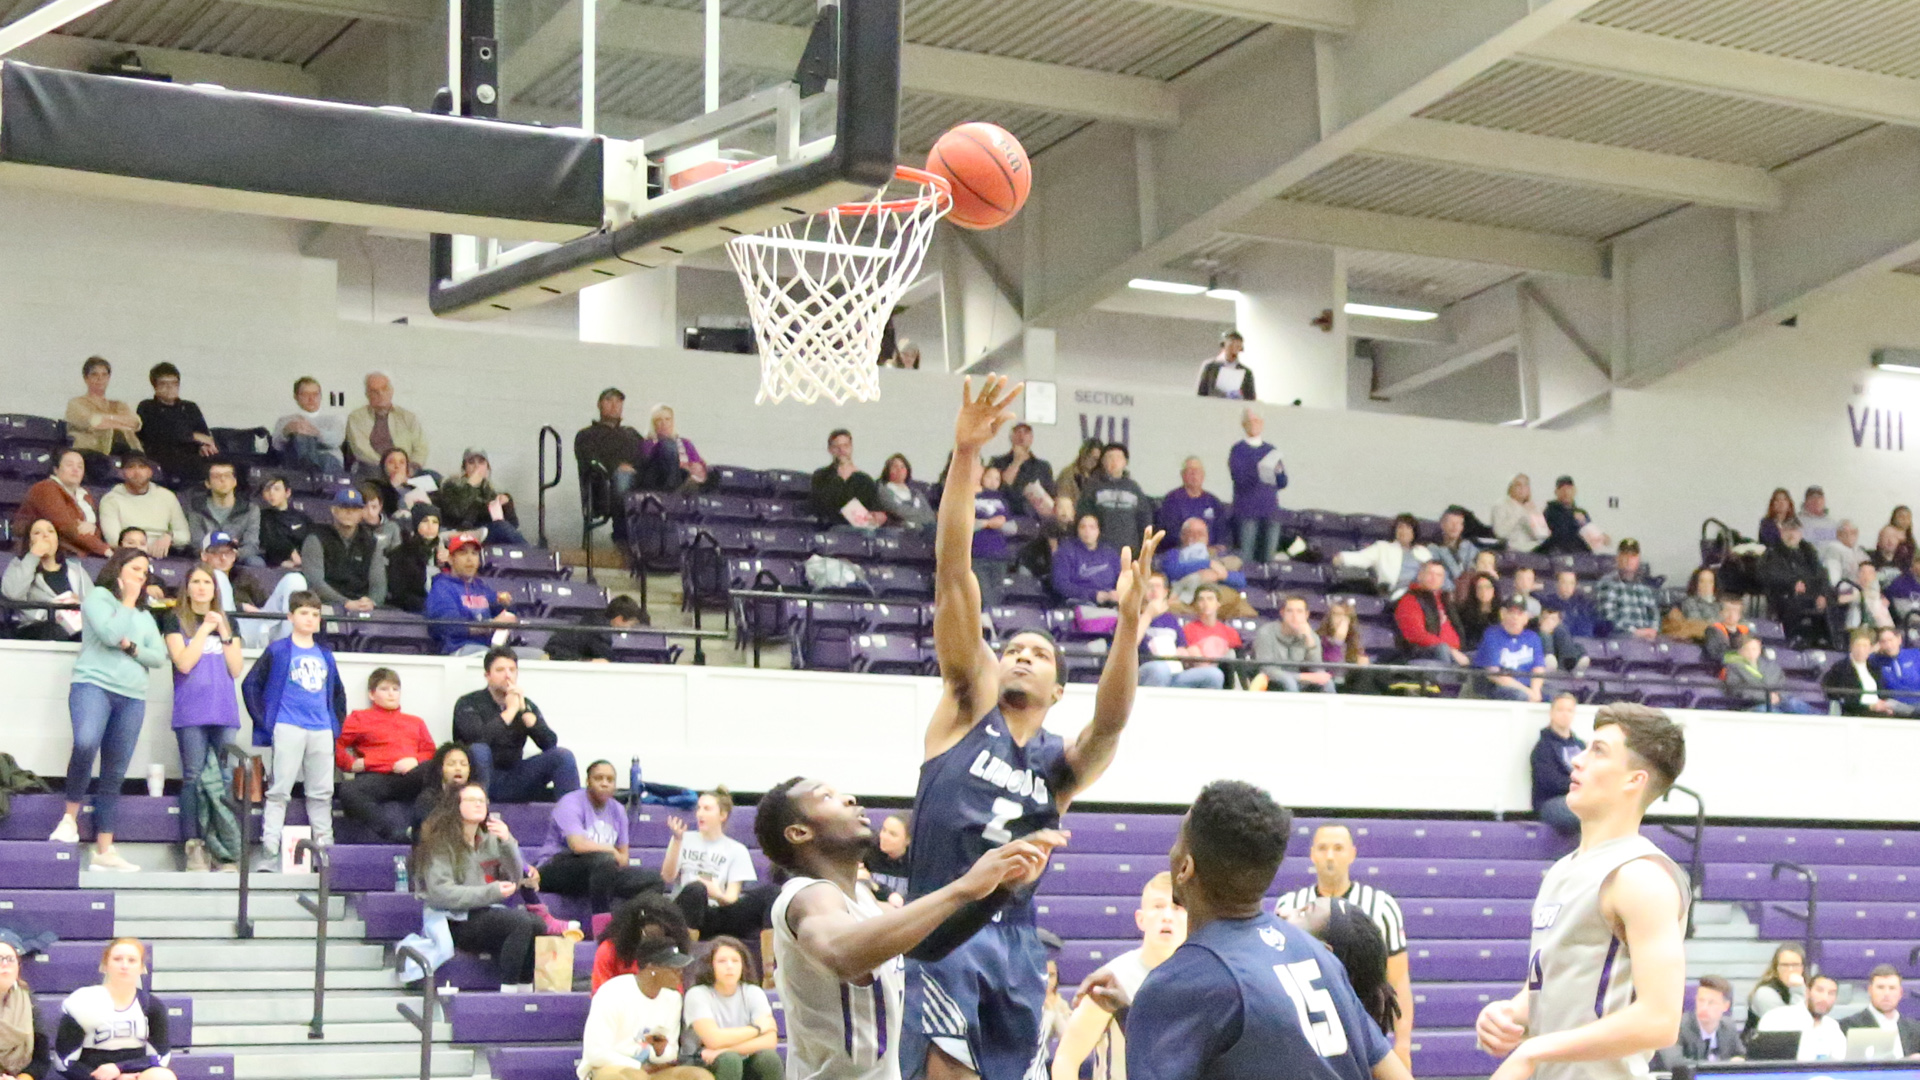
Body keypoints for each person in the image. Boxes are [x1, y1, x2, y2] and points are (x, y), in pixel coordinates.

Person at [906, 375, 1159, 1080]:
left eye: (1039, 653)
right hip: (940, 925)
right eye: (1012, 646)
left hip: (1017, 942)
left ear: (1056, 690)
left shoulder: (1058, 764)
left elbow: (1111, 723)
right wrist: (965, 455)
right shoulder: (966, 708)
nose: (1020, 653)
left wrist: (1128, 627)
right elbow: (953, 573)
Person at [1102, 780, 1405, 1080]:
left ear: (1185, 868)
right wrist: (1137, 1013)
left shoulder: (1181, 983)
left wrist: (1152, 1012)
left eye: (1177, 842)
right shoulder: (1319, 957)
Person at [753, 775, 1050, 1080]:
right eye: (826, 797)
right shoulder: (807, 895)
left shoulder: (864, 901)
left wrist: (1002, 888)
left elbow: (928, 944)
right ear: (799, 832)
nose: (849, 798)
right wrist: (963, 888)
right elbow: (841, 953)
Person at [1475, 704, 1688, 1080]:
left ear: (1634, 780)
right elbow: (1555, 983)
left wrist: (1534, 1050)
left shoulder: (1640, 875)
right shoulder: (1562, 869)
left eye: (1599, 751)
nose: (1578, 760)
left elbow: (1660, 1020)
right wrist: (1510, 1014)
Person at [48, 549, 166, 872]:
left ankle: (104, 849)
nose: (141, 576)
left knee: (114, 770)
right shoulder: (98, 597)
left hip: (133, 696)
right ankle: (69, 820)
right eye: (135, 569)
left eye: (145, 572)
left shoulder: (144, 615)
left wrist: (131, 646)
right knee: (86, 743)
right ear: (119, 568)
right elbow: (111, 634)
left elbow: (158, 657)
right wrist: (127, 602)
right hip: (93, 686)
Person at [1274, 823, 1414, 1065]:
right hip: (1305, 1033)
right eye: (1323, 848)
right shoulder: (1288, 905)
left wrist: (1402, 1045)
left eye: (1338, 848)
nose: (1330, 856)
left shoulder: (1382, 906)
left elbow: (1398, 979)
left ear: (1352, 853)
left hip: (1363, 1033)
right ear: (1312, 854)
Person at [241, 590, 345, 872]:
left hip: (321, 729)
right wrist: (266, 722)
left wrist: (334, 726)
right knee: (279, 791)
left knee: (322, 793)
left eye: (315, 614)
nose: (310, 619)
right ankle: (270, 851)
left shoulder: (325, 654)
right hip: (288, 726)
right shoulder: (277, 650)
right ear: (290, 616)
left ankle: (325, 852)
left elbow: (337, 694)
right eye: (304, 613)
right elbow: (251, 685)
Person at [1049, 873, 1186, 1080]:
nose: (1167, 916)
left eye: (1177, 907)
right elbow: (1066, 1058)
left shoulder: (1202, 976)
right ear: (1140, 919)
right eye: (1158, 906)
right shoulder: (1114, 978)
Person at [414, 784, 547, 991]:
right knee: (520, 922)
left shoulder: (489, 838)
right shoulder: (440, 844)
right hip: (452, 919)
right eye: (472, 800)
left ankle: (524, 990)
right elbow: (440, 893)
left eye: (482, 800)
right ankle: (508, 993)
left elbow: (515, 878)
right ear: (455, 805)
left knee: (537, 925)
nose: (479, 804)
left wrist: (508, 842)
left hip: (483, 913)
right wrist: (491, 892)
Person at [161, 567, 243, 872]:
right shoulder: (174, 619)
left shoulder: (228, 621)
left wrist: (223, 631)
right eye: (195, 581)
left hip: (224, 711)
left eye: (207, 582)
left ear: (215, 588)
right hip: (192, 711)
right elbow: (183, 663)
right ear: (187, 587)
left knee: (224, 778)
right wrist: (204, 630)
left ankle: (225, 851)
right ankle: (194, 846)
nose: (201, 587)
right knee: (193, 779)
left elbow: (236, 669)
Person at [452, 648, 580, 801]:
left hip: (515, 777)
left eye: (512, 670)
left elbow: (549, 743)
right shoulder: (469, 702)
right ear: (487, 675)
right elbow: (476, 738)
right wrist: (510, 711)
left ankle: (572, 812)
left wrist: (527, 716)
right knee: (479, 750)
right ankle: (480, 808)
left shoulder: (525, 704)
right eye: (500, 670)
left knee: (563, 756)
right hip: (479, 779)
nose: (507, 675)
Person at [540, 761, 664, 917]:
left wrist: (613, 856)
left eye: (610, 780)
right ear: (588, 781)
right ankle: (601, 923)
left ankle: (629, 923)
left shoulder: (618, 810)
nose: (605, 784)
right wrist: (611, 849)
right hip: (557, 868)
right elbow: (577, 845)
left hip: (599, 874)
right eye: (599, 778)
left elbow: (623, 859)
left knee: (654, 880)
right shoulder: (570, 803)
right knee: (604, 860)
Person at [334, 668, 438, 844]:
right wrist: (350, 764)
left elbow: (431, 752)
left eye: (395, 689)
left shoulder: (415, 722)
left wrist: (415, 761)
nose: (391, 694)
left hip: (410, 776)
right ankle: (393, 833)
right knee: (349, 790)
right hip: (377, 777)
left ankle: (423, 832)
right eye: (384, 689)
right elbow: (337, 744)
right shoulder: (360, 718)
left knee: (435, 772)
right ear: (372, 694)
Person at [51, 940, 172, 1080]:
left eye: (132, 960)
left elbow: (161, 1057)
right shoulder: (82, 1002)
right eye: (117, 959)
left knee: (162, 1076)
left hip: (134, 1075)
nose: (124, 966)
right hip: (94, 1076)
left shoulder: (152, 1005)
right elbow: (63, 1063)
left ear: (142, 968)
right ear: (104, 966)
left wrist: (121, 1069)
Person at [661, 790, 766, 940]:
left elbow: (731, 898)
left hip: (713, 910)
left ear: (722, 815)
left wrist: (716, 894)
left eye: (707, 809)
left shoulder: (737, 850)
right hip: (683, 910)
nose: (700, 814)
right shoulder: (682, 839)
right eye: (699, 808)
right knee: (697, 889)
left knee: (768, 894)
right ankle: (688, 949)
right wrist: (677, 840)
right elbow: (667, 877)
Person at [678, 937, 779, 1080]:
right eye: (722, 961)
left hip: (738, 1057)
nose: (730, 966)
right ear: (710, 965)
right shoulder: (697, 994)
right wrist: (756, 1029)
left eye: (735, 961)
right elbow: (713, 1040)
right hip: (701, 1060)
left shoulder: (753, 992)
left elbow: (769, 1041)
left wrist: (728, 1049)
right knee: (730, 1060)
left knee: (768, 1059)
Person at [425, 535, 527, 656]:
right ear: (451, 559)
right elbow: (449, 626)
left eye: (474, 553)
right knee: (488, 657)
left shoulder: (480, 587)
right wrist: (491, 624)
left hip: (490, 650)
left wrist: (507, 606)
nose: (470, 559)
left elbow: (504, 612)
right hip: (458, 650)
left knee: (538, 656)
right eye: (463, 553)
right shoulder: (442, 587)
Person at [4, 519, 90, 642]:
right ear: (29, 542)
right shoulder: (20, 565)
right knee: (53, 630)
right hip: (36, 629)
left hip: (75, 628)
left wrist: (80, 603)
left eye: (50, 531)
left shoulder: (76, 570)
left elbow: (94, 604)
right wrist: (33, 556)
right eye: (37, 533)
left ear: (57, 540)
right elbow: (13, 593)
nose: (45, 535)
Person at [299, 488, 385, 612]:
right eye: (344, 507)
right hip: (325, 604)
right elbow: (315, 582)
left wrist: (372, 602)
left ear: (361, 513)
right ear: (334, 510)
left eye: (355, 509)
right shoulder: (316, 538)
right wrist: (346, 603)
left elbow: (378, 584)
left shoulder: (371, 542)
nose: (349, 512)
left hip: (361, 605)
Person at [14, 450, 110, 558]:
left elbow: (97, 531)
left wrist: (92, 528)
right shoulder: (45, 488)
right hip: (51, 556)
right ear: (56, 469)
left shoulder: (85, 495)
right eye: (69, 465)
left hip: (83, 554)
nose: (75, 470)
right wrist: (104, 549)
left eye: (80, 467)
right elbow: (66, 528)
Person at [1135, 573, 1222, 691]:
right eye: (1149, 586)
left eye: (1158, 586)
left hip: (1174, 673)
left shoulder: (1171, 620)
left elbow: (1182, 647)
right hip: (1144, 670)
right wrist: (1148, 615)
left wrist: (1184, 652)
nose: (1154, 590)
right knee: (1160, 669)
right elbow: (1128, 647)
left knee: (1214, 675)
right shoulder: (1131, 616)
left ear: (1165, 592)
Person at [574, 388, 646, 528]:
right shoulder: (587, 434)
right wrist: (616, 467)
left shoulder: (631, 433)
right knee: (623, 476)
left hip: (638, 479)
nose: (614, 405)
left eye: (618, 402)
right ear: (599, 404)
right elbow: (589, 459)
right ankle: (621, 531)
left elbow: (646, 456)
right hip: (604, 486)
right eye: (609, 400)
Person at [135, 363, 216, 486]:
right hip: (162, 457)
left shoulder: (190, 407)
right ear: (155, 386)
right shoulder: (147, 406)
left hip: (192, 456)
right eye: (164, 384)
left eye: (174, 383)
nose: (170, 388)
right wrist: (193, 436)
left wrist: (203, 445)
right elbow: (159, 434)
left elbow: (205, 436)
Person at [1759, 518, 1834, 647]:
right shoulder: (1773, 553)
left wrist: (1822, 594)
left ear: (1800, 533)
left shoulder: (1809, 552)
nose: (1791, 534)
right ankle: (1794, 638)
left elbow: (1821, 575)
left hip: (1810, 594)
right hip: (1784, 595)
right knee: (1792, 602)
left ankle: (1828, 640)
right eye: (1788, 530)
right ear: (1781, 532)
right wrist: (1792, 583)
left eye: (1795, 530)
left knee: (1832, 600)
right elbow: (1768, 575)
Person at [98, 455, 190, 559]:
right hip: (129, 555)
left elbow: (185, 536)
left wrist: (170, 537)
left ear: (150, 472)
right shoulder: (111, 499)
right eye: (131, 467)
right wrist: (143, 548)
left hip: (165, 555)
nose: (137, 472)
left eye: (142, 467)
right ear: (122, 472)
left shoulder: (167, 496)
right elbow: (114, 540)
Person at [1228, 408, 1287, 566]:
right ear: (1244, 425)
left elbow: (1282, 482)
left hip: (1270, 512)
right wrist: (1259, 469)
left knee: (1269, 562)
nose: (1254, 424)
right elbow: (1240, 480)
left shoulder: (1271, 450)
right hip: (1247, 513)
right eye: (1250, 421)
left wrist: (1278, 472)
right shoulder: (1238, 450)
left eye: (1257, 421)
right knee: (1247, 561)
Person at [436, 450, 526, 545]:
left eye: (481, 462)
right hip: (457, 531)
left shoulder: (492, 490)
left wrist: (507, 504)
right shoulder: (451, 486)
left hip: (486, 532)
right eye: (471, 462)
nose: (476, 466)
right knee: (501, 528)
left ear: (487, 467)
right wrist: (470, 486)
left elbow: (513, 525)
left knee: (505, 529)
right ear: (464, 468)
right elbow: (456, 513)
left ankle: (528, 550)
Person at [1653, 975, 1745, 1069]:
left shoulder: (1728, 1027)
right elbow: (1674, 1063)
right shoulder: (1677, 1027)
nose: (1704, 1007)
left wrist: (1738, 1060)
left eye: (1711, 1003)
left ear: (1726, 1006)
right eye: (1701, 1000)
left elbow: (1741, 1055)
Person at [182, 459, 262, 565]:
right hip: (207, 557)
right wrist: (216, 553)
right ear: (208, 483)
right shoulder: (197, 507)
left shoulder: (250, 509)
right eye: (216, 476)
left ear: (234, 481)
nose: (223, 479)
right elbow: (196, 543)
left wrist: (231, 554)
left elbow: (251, 544)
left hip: (236, 558)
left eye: (227, 476)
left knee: (255, 562)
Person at [346, 372, 428, 474]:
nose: (380, 394)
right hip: (373, 469)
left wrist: (410, 468)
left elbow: (421, 448)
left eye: (384, 389)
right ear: (367, 395)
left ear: (391, 391)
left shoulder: (408, 417)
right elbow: (361, 451)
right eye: (374, 391)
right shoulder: (356, 418)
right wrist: (389, 467)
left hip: (406, 469)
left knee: (434, 477)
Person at [1333, 515, 1432, 599]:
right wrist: (1342, 557)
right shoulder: (1382, 547)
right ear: (1395, 531)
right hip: (1394, 593)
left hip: (1421, 592)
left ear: (1414, 532)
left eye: (1408, 528)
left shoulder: (1424, 552)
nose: (1404, 531)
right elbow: (1362, 558)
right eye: (1400, 527)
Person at [1393, 561, 1470, 668]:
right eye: (1430, 573)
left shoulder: (1445, 600)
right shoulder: (1410, 600)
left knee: (1481, 656)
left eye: (1439, 575)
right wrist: (1450, 650)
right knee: (1442, 649)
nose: (1434, 578)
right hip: (1426, 652)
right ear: (1420, 576)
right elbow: (1416, 635)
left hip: (1456, 652)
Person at [1822, 628, 1915, 717]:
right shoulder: (1840, 668)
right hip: (1858, 713)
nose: (1861, 650)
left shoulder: (1874, 667)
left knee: (1911, 712)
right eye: (1858, 645)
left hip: (1881, 710)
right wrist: (1870, 706)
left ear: (1871, 648)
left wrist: (1884, 704)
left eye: (1865, 646)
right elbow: (1841, 696)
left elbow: (1882, 692)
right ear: (1851, 647)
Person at [1250, 594, 1333, 693]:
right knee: (1289, 681)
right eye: (1290, 611)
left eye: (1299, 611)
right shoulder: (1266, 632)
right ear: (1282, 613)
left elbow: (1317, 668)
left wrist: (1310, 642)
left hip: (1298, 681)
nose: (1295, 616)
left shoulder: (1311, 635)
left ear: (1306, 615)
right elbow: (1267, 669)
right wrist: (1304, 677)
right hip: (1269, 681)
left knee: (1327, 682)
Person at [65, 356, 143, 461]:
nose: (100, 379)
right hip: (93, 453)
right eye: (94, 374)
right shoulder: (76, 403)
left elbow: (136, 423)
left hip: (129, 453)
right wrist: (121, 423)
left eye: (104, 375)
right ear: (86, 378)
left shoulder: (119, 405)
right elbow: (92, 422)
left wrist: (106, 420)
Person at [1076, 443, 1152, 550]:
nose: (1114, 461)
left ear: (1125, 462)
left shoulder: (1134, 488)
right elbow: (1083, 516)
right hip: (1100, 549)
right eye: (1109, 457)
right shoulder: (1092, 487)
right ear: (1102, 462)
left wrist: (1145, 546)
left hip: (1130, 550)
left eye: (1118, 458)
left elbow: (1144, 518)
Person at [1755, 974, 1846, 1062]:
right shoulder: (1776, 1018)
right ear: (1807, 992)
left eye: (1831, 993)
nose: (1824, 998)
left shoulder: (1832, 1026)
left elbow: (1840, 1062)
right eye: (1819, 990)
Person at [1531, 692, 1585, 837]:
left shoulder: (1581, 746)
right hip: (1551, 802)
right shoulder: (1543, 747)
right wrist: (1580, 784)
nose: (1565, 714)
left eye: (1569, 710)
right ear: (1551, 713)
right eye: (1560, 710)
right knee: (1585, 812)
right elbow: (1550, 782)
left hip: (1581, 797)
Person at [1475, 595, 1548, 702]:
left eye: (1519, 613)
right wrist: (1528, 692)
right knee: (1520, 696)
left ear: (1526, 618)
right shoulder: (1492, 635)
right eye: (1511, 612)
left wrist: (1535, 691)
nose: (1515, 617)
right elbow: (1494, 674)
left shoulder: (1533, 637)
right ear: (1502, 614)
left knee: (1556, 697)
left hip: (1529, 687)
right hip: (1500, 688)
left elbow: (1538, 668)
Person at [0, 934, 52, 1080]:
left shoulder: (29, 1003)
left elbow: (41, 1060)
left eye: (10, 959)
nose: (5, 964)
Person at [810, 429, 887, 528]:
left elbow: (875, 511)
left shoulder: (865, 480)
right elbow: (819, 506)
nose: (842, 450)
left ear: (851, 447)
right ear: (830, 449)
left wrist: (879, 516)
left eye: (845, 446)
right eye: (836, 446)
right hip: (828, 530)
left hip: (857, 532)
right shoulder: (821, 476)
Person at [1723, 633, 1817, 713]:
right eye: (1747, 649)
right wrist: (1767, 697)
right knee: (1770, 712)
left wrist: (1779, 696)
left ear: (1759, 650)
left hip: (1779, 700)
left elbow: (1782, 685)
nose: (1751, 652)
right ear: (1740, 651)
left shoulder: (1771, 666)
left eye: (1754, 649)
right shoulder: (1733, 667)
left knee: (1793, 703)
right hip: (1754, 705)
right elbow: (1738, 690)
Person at [1836, 965, 1920, 1055]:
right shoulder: (1848, 1026)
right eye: (1880, 987)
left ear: (1900, 993)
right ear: (1870, 990)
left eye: (1892, 988)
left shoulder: (1915, 1029)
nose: (1886, 993)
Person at [273, 376, 347, 473]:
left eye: (315, 394)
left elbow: (337, 440)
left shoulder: (333, 419)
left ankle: (311, 469)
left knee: (328, 459)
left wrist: (316, 433)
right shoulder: (285, 420)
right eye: (305, 394)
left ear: (321, 396)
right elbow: (276, 446)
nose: (311, 399)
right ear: (296, 397)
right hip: (295, 463)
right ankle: (310, 468)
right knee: (299, 435)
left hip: (327, 461)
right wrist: (286, 432)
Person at [546, 595, 648, 663]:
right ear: (619, 619)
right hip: (558, 660)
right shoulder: (600, 632)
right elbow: (608, 659)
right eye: (631, 624)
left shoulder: (596, 620)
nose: (629, 628)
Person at [1594, 539, 1660, 640]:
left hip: (1647, 639)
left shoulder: (1645, 587)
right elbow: (1608, 618)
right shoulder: (1607, 584)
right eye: (1625, 555)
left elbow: (1654, 614)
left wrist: (1652, 630)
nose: (1629, 560)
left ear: (1638, 559)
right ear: (1618, 558)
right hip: (1620, 639)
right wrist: (1635, 632)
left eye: (1633, 556)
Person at [1155, 458, 1228, 546]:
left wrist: (1216, 548)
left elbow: (1223, 533)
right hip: (1181, 549)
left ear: (1203, 475)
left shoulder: (1213, 502)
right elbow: (1170, 534)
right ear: (1183, 475)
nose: (1194, 475)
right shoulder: (1171, 500)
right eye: (1190, 471)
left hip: (1209, 551)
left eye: (1197, 471)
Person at [1050, 515, 1121, 605]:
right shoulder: (1066, 551)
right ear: (1077, 530)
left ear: (1098, 531)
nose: (1087, 531)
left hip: (1112, 603)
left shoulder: (1110, 552)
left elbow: (1122, 577)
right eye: (1083, 527)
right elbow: (1060, 584)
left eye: (1092, 527)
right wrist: (1094, 595)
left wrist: (1116, 593)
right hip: (1080, 603)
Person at [638, 405, 709, 493]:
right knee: (668, 445)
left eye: (667, 419)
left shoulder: (685, 443)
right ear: (653, 424)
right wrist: (684, 467)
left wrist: (698, 467)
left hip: (685, 480)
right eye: (659, 420)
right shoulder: (648, 444)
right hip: (661, 481)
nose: (664, 423)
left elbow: (698, 463)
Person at [972, 466, 1015, 610]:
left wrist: (999, 524)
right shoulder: (973, 497)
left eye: (997, 479)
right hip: (977, 553)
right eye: (989, 477)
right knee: (983, 595)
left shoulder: (1003, 501)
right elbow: (965, 524)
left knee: (996, 596)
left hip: (999, 555)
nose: (993, 481)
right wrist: (988, 523)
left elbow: (1012, 528)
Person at [1179, 585, 1242, 685]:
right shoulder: (1187, 630)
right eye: (1201, 600)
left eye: (1210, 599)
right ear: (1196, 604)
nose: (1206, 603)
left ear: (1218, 603)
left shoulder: (1230, 633)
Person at [385, 507, 443, 614]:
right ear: (416, 524)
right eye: (425, 521)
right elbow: (399, 593)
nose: (430, 526)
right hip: (411, 612)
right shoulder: (402, 553)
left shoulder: (448, 554)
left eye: (435, 522)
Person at [988, 423, 1053, 517]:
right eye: (1017, 432)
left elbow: (1051, 496)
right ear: (1011, 437)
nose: (1021, 436)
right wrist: (1017, 462)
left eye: (1026, 432)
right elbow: (997, 489)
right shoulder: (998, 462)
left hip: (1033, 518)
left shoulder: (1043, 467)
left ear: (1031, 438)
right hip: (1003, 514)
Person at [1744, 945, 1806, 1039]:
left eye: (1795, 965)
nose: (1790, 970)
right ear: (1776, 968)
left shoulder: (1806, 987)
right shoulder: (1765, 993)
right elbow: (1787, 1026)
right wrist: (1797, 990)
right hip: (1764, 1045)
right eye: (1785, 965)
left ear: (1803, 968)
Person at [412, 742, 474, 835]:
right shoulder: (428, 799)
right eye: (451, 764)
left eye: (463, 764)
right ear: (440, 769)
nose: (458, 768)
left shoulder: (476, 798)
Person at [255, 474, 310, 570]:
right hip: (272, 564)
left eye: (276, 489)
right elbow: (267, 545)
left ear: (287, 492)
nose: (271, 493)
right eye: (267, 490)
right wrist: (287, 556)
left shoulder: (302, 518)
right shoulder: (260, 517)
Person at [375, 449, 438, 528]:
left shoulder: (419, 484)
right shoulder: (377, 488)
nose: (397, 466)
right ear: (383, 467)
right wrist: (395, 486)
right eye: (391, 462)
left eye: (401, 462)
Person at [1542, 476, 1604, 555]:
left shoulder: (1581, 513)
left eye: (1569, 489)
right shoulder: (1550, 511)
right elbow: (1558, 533)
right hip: (1558, 554)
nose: (1566, 493)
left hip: (1582, 555)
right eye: (1562, 489)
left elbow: (1590, 534)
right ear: (1556, 492)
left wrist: (1600, 537)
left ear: (1574, 491)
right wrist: (1572, 518)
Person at [1492, 474, 1551, 553]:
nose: (1522, 488)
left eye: (1526, 485)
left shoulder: (1533, 506)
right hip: (1511, 549)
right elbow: (1500, 533)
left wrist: (1533, 513)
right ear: (1510, 488)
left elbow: (1543, 535)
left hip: (1535, 549)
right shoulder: (1500, 505)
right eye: (1518, 485)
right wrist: (1520, 512)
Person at [877, 454, 936, 531]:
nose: (899, 470)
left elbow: (930, 515)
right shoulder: (884, 490)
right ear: (888, 470)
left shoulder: (916, 493)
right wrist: (920, 514)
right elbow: (897, 510)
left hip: (924, 529)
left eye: (902, 467)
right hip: (900, 531)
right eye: (895, 467)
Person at [863, 813, 911, 907]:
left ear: (908, 840)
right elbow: (860, 877)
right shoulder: (868, 850)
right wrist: (888, 894)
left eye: (893, 834)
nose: (884, 837)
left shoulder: (918, 862)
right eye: (884, 830)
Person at [1868, 625, 1920, 704]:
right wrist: (1873, 649)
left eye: (1890, 640)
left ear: (1899, 639)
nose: (1888, 645)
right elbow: (1859, 657)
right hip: (1894, 703)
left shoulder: (1915, 654)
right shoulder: (1876, 660)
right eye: (1883, 642)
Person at [1196, 329, 1255, 399]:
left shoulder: (1246, 372)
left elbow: (1250, 398)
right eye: (1231, 343)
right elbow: (1201, 393)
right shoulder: (1210, 367)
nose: (1234, 348)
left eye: (1238, 346)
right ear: (1224, 345)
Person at [1542, 570, 1597, 639]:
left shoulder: (1583, 604)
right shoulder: (1548, 602)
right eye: (1564, 582)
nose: (1568, 587)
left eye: (1571, 583)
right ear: (1557, 584)